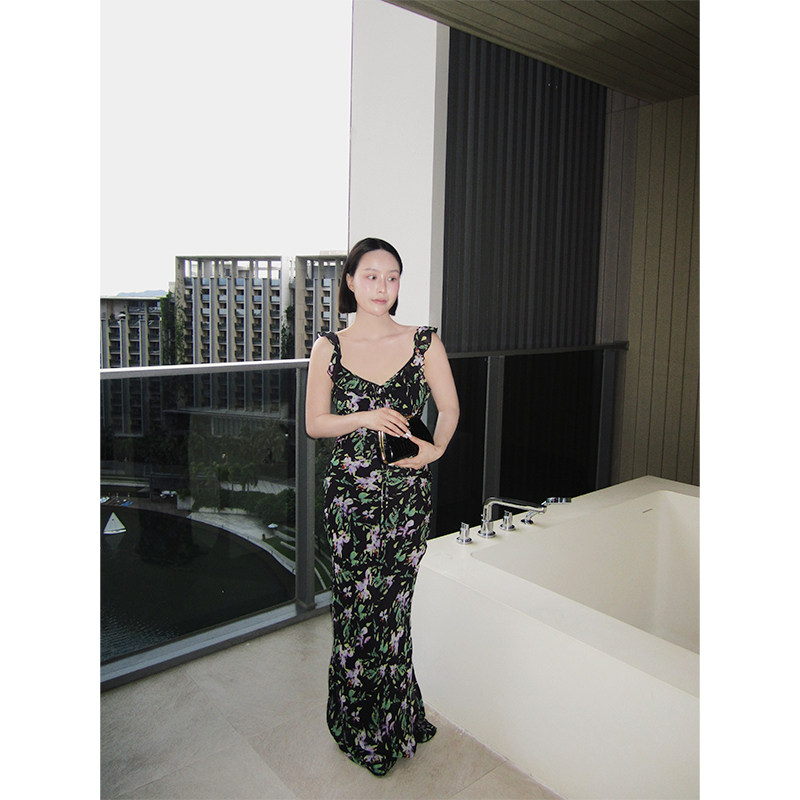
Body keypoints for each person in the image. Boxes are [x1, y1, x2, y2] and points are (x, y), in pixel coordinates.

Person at [305, 237, 460, 776]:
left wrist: (434, 451)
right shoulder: (329, 347)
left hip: (405, 500)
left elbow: (449, 407)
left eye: (392, 277)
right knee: (354, 610)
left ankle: (396, 719)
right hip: (349, 498)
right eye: (371, 276)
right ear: (350, 281)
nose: (382, 287)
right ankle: (357, 726)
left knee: (392, 611)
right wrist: (365, 418)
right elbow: (315, 423)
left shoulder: (423, 341)